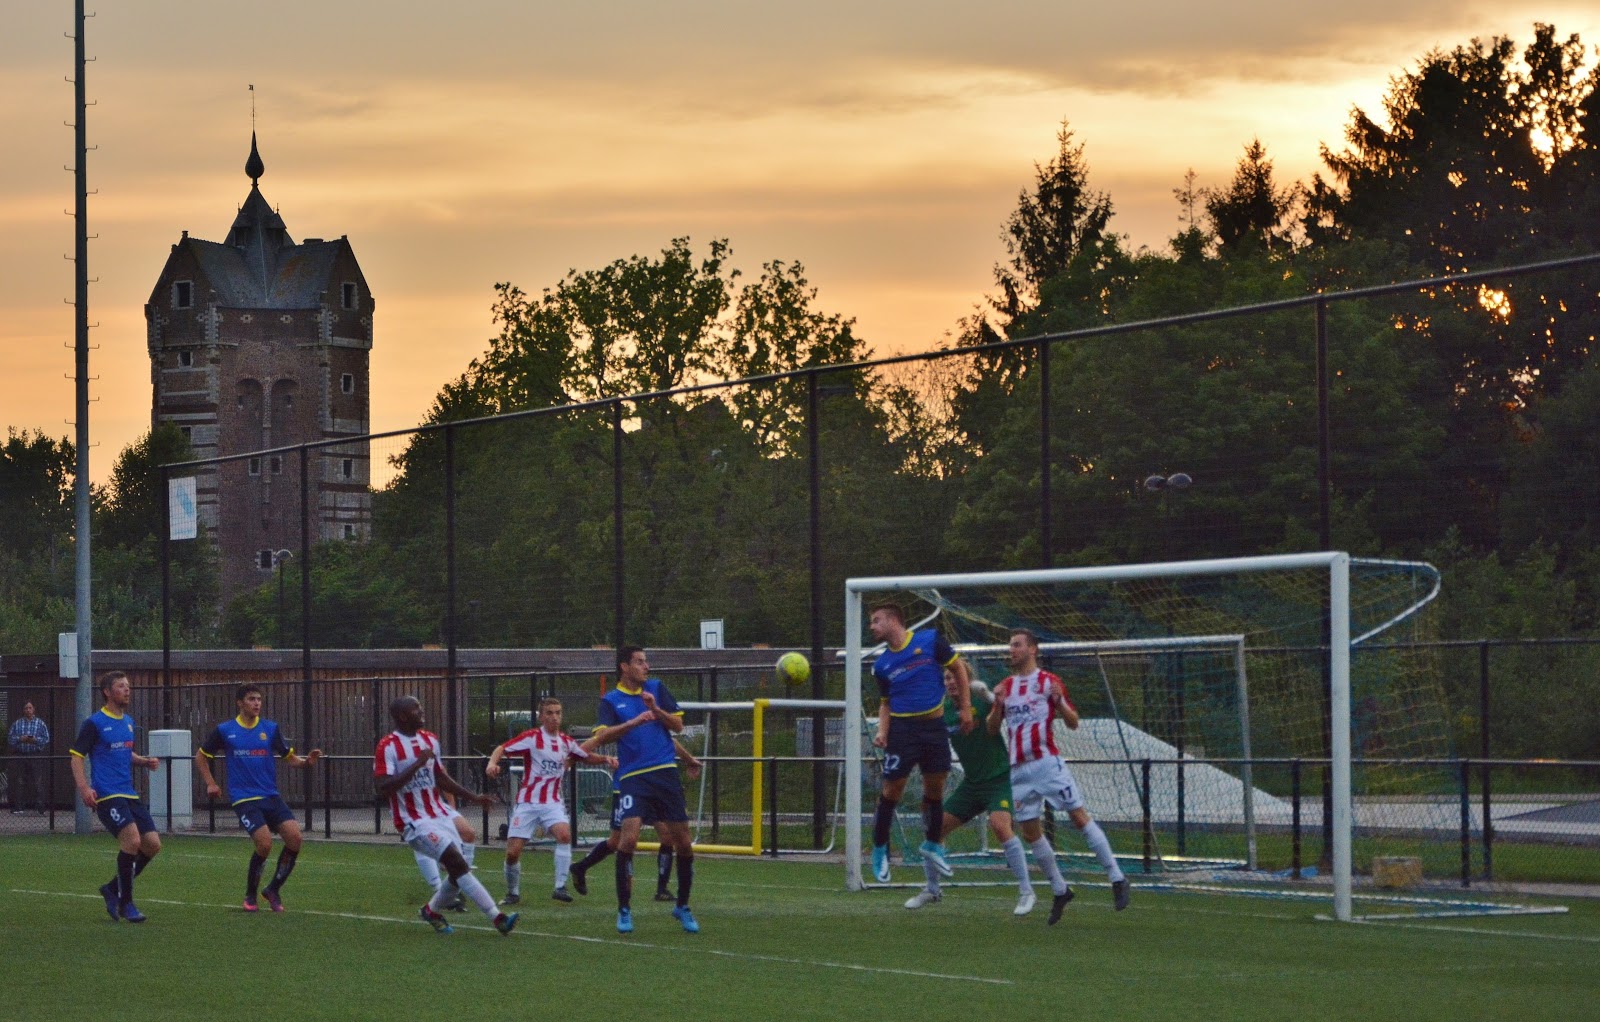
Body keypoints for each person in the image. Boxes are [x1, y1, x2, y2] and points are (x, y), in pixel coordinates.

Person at [987, 628, 1131, 924]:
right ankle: (1060, 889)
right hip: (1018, 770)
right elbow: (991, 729)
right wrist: (997, 706)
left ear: (1032, 650)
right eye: (1010, 645)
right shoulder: (1006, 687)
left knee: (1078, 816)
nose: (1011, 650)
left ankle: (1117, 877)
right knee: (1030, 832)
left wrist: (1060, 701)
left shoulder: (1048, 682)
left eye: (1017, 645)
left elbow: (1073, 722)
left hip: (1046, 764)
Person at [374, 695, 518, 937]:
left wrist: (473, 797)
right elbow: (383, 787)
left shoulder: (430, 739)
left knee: (456, 867)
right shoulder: (387, 746)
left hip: (439, 813)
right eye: (416, 709)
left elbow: (440, 777)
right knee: (457, 863)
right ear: (402, 716)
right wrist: (416, 765)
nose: (422, 712)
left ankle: (431, 911)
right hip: (413, 821)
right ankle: (497, 917)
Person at [585, 645, 698, 934]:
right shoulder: (611, 700)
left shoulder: (656, 688)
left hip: (665, 773)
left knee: (683, 842)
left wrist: (655, 709)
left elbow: (678, 726)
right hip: (633, 776)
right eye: (639, 662)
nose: (646, 667)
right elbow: (602, 736)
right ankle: (624, 910)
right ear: (624, 667)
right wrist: (634, 721)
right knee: (628, 840)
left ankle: (682, 906)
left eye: (646, 662)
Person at [867, 602, 973, 909]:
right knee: (892, 790)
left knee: (935, 790)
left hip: (934, 728)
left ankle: (932, 845)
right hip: (903, 731)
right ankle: (880, 848)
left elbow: (958, 668)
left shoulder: (929, 640)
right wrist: (883, 731)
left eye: (876, 620)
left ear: (893, 620)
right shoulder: (882, 665)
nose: (872, 627)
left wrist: (965, 708)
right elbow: (885, 703)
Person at [194, 684, 322, 912]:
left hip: (270, 795)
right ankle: (250, 895)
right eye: (251, 699)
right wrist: (211, 783)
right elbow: (201, 756)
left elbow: (288, 757)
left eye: (259, 699)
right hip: (244, 798)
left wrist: (306, 763)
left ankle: (273, 889)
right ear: (240, 703)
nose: (256, 703)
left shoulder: (270, 729)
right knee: (264, 843)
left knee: (295, 838)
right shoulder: (225, 730)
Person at [484, 696, 617, 905]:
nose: (554, 717)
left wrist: (606, 759)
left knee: (564, 835)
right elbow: (502, 748)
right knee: (512, 853)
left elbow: (584, 756)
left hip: (552, 802)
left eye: (558, 713)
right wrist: (492, 763)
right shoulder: (531, 738)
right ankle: (512, 893)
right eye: (549, 713)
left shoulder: (566, 742)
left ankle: (560, 887)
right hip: (528, 802)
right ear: (541, 717)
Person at [936, 668, 1037, 915]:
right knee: (935, 829)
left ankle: (1026, 891)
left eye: (955, 676)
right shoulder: (943, 710)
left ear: (967, 679)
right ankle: (932, 889)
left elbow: (1002, 721)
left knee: (1000, 826)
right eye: (946, 678)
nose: (951, 682)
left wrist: (995, 702)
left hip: (998, 779)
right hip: (972, 783)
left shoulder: (980, 700)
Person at [69, 671, 162, 923]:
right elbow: (76, 757)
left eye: (128, 686)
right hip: (107, 794)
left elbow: (123, 752)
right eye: (121, 686)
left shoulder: (128, 722)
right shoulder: (94, 723)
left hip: (128, 793)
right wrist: (84, 788)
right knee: (132, 841)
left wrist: (143, 761)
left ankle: (112, 889)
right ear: (107, 692)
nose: (127, 690)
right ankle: (126, 903)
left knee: (152, 845)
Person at [569, 737, 702, 902]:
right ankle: (581, 867)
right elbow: (597, 740)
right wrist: (606, 759)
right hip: (628, 788)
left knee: (667, 836)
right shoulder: (624, 728)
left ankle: (662, 889)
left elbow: (670, 740)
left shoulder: (655, 728)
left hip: (654, 788)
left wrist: (689, 760)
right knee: (618, 841)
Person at [7, 701, 51, 813]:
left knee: (38, 782)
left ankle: (40, 808)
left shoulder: (40, 723)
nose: (28, 710)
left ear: (33, 709)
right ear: (23, 710)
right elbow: (10, 738)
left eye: (30, 708)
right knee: (20, 781)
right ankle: (19, 807)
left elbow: (46, 739)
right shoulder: (17, 723)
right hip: (21, 755)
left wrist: (35, 740)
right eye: (26, 708)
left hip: (35, 755)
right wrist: (20, 739)